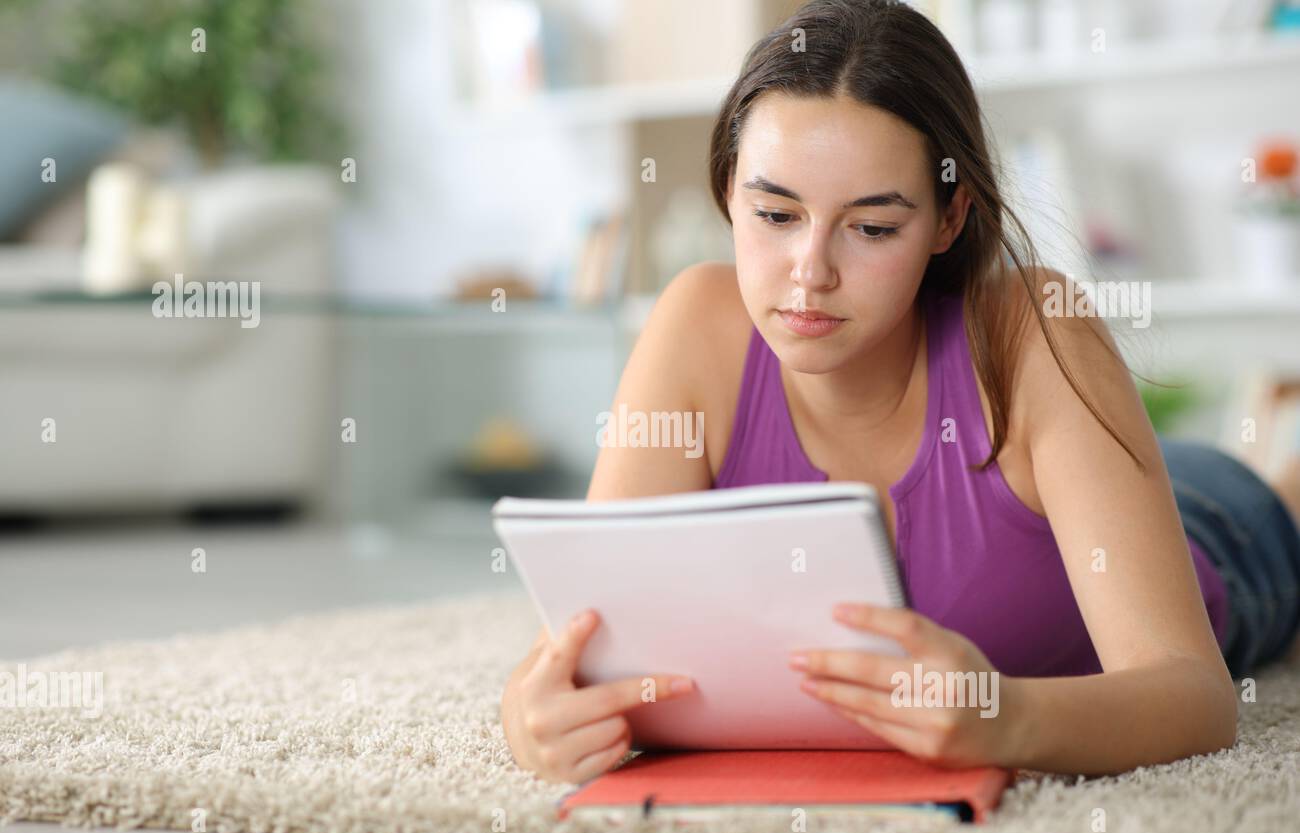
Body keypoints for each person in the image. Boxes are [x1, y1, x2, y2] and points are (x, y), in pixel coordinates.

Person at [500, 0, 1300, 784]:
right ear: (728, 192)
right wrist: (529, 717)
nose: (810, 271)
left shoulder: (1032, 329)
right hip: (1101, 482)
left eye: (872, 228)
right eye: (775, 213)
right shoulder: (696, 325)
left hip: (1217, 533)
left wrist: (1004, 721)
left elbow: (1197, 697)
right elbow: (581, 644)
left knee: (1283, 508)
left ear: (951, 216)